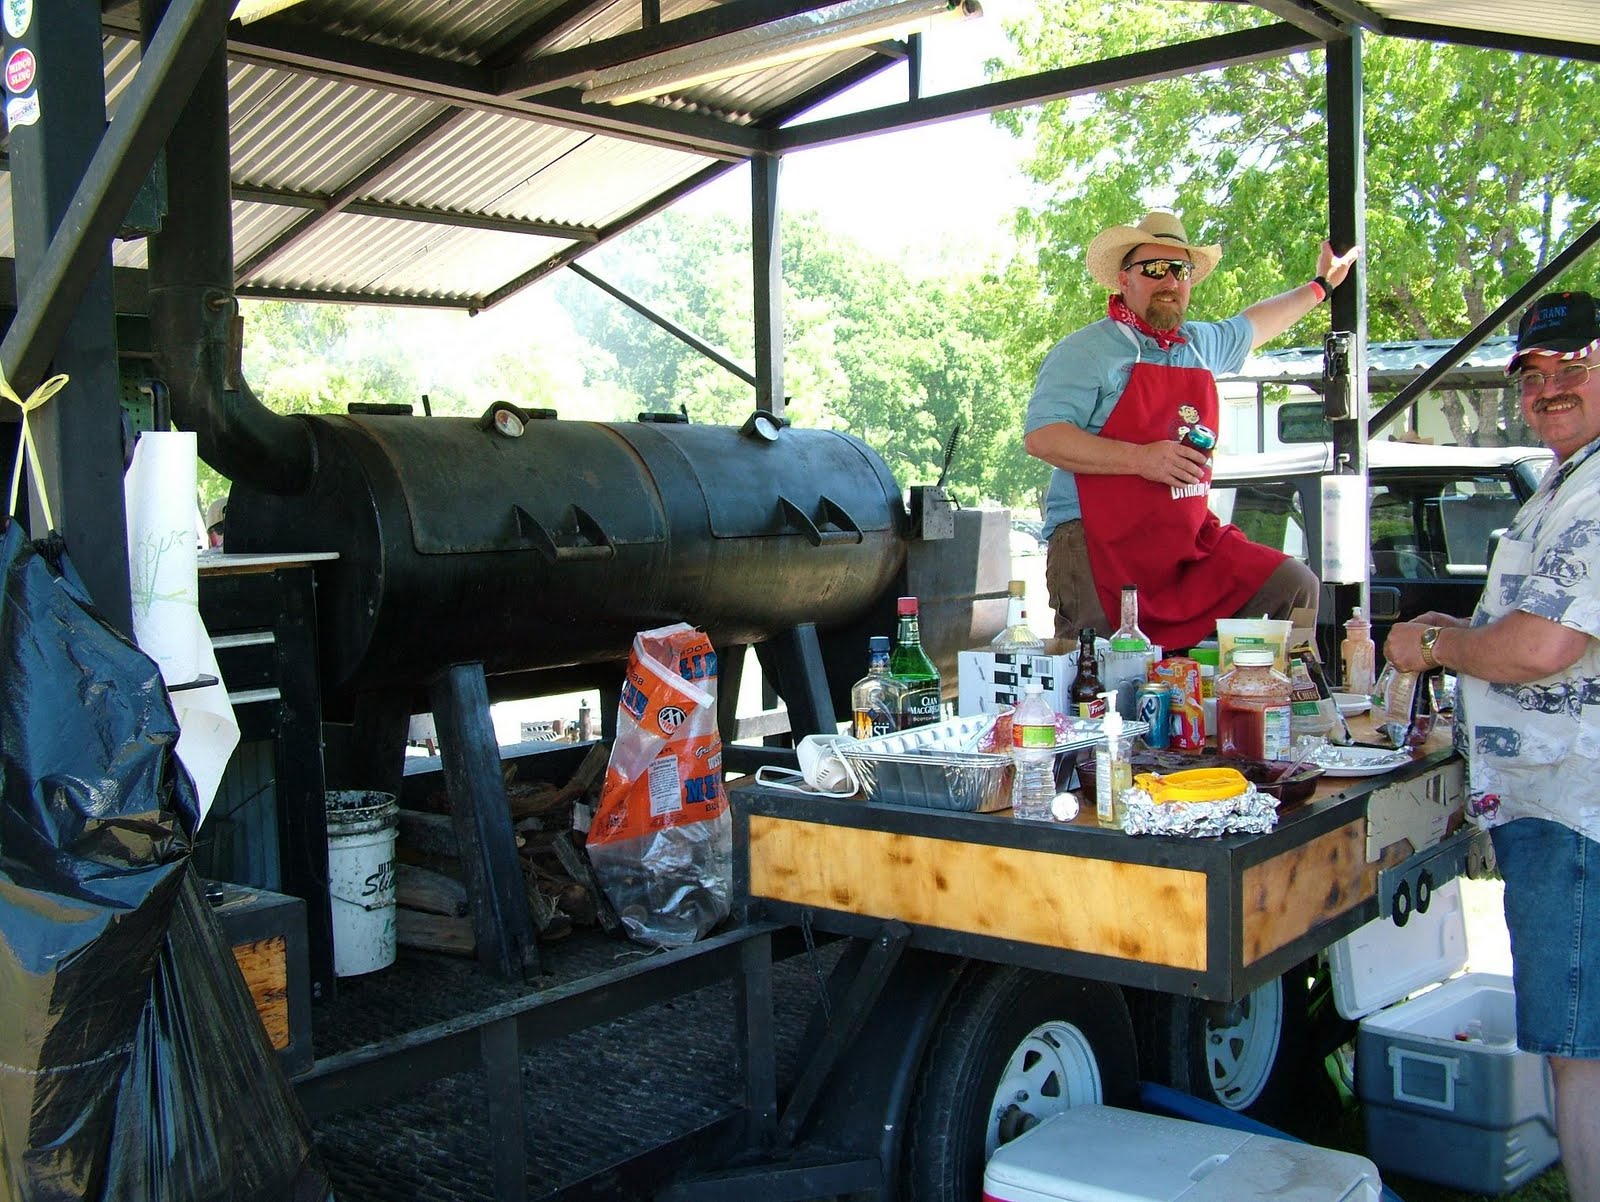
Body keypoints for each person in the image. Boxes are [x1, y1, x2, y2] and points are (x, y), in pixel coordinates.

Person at [1384, 290, 1600, 1202]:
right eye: (1534, 374)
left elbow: (1543, 647)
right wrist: (1456, 628)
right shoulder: (1566, 478)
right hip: (1553, 799)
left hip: (1574, 808)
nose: (1551, 387)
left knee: (1578, 1055)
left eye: (1574, 366)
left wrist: (1433, 645)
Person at [1025, 210, 1360, 650]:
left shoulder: (1199, 345)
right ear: (1124, 280)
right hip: (1096, 547)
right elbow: (1043, 436)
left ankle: (1278, 702)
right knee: (1104, 682)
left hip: (1183, 546)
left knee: (1292, 586)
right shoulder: (1087, 351)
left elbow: (1257, 323)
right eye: (1154, 269)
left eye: (1179, 270)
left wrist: (1322, 286)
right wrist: (1141, 458)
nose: (1169, 281)